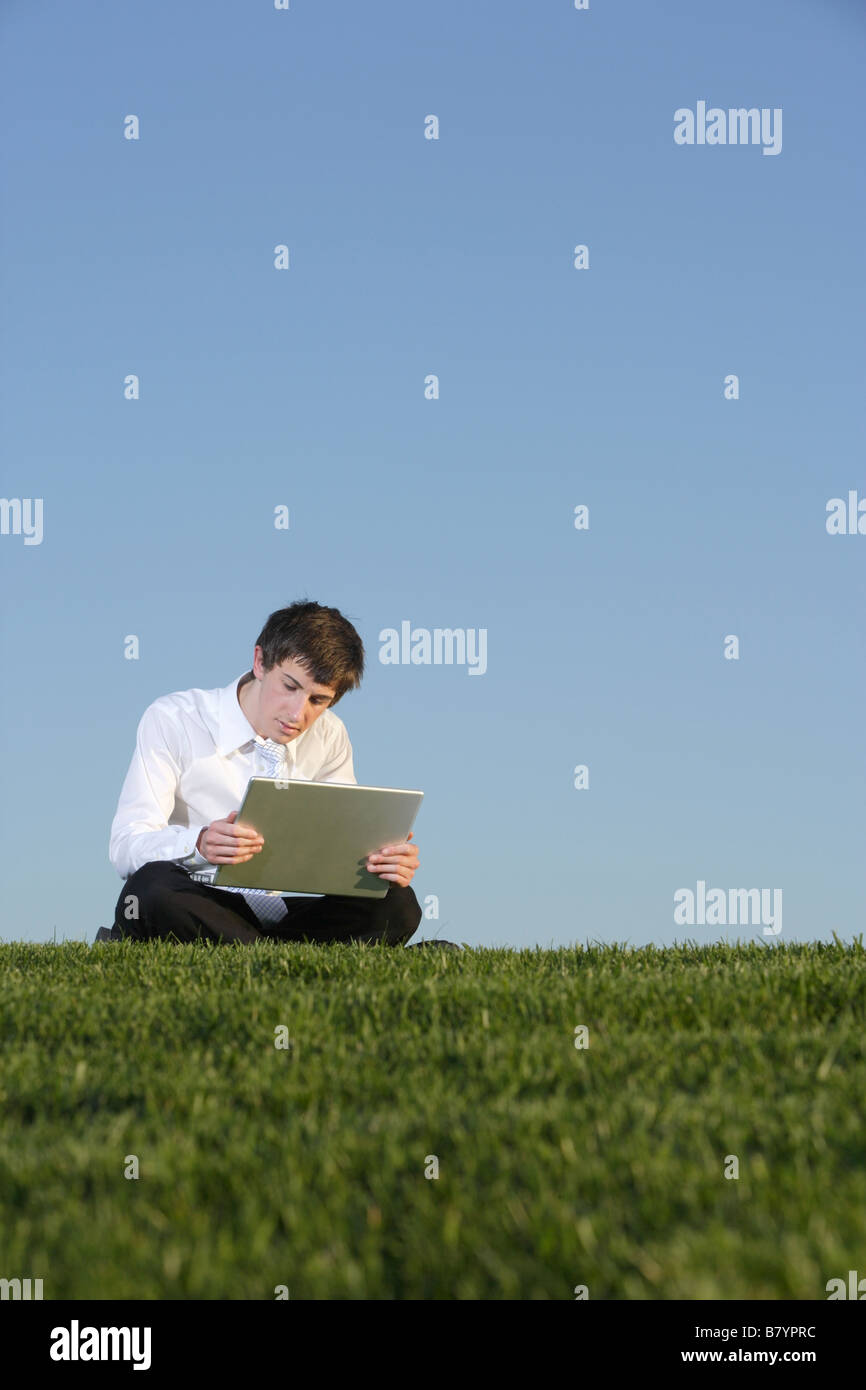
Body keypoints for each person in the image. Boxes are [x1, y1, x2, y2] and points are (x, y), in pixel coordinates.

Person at [100, 600, 432, 947]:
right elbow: (126, 845)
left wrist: (378, 863)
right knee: (148, 891)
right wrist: (198, 843)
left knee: (398, 905)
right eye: (290, 686)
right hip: (202, 898)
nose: (298, 713)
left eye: (318, 700)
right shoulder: (174, 718)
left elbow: (336, 848)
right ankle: (292, 955)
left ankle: (255, 949)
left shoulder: (330, 735)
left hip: (281, 912)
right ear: (260, 662)